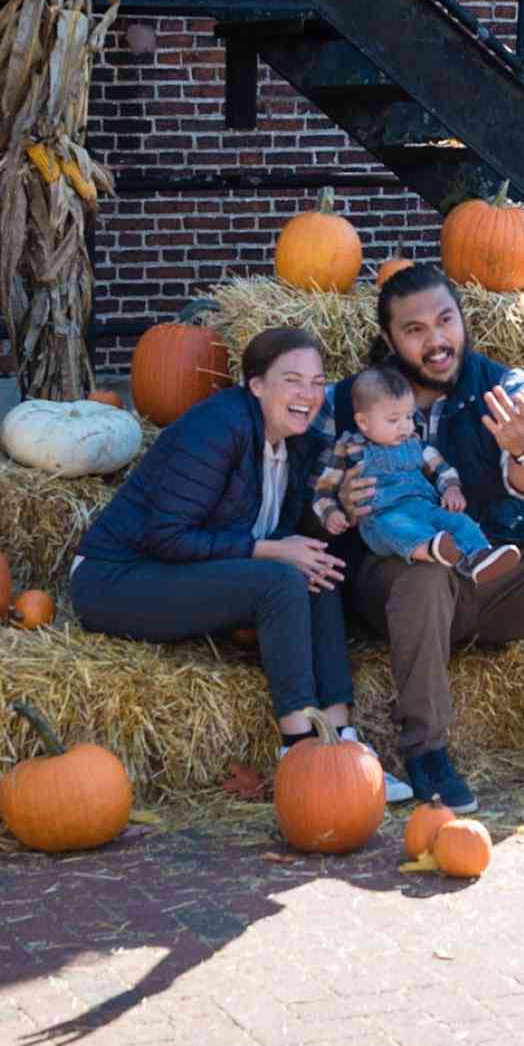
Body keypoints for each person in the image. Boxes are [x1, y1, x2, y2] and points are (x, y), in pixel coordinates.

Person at [317, 263, 524, 813]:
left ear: (462, 320)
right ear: (389, 339)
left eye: (446, 321)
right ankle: (427, 751)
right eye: (415, 330)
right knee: (426, 575)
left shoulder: (507, 389)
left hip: (494, 567)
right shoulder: (345, 403)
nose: (437, 340)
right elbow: (300, 496)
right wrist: (337, 504)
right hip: (400, 578)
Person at [71, 326, 413, 803]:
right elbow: (167, 536)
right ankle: (299, 749)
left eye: (317, 383)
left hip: (186, 573)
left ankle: (342, 742)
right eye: (293, 381)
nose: (309, 395)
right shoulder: (218, 428)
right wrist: (271, 550)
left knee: (318, 569)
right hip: (115, 578)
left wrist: (334, 518)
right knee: (281, 578)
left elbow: (291, 529)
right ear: (256, 385)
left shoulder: (298, 442)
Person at [311, 360, 522, 583]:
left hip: (425, 508)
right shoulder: (349, 448)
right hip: (383, 516)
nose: (405, 426)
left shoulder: (415, 443)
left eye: (409, 416)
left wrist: (452, 488)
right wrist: (330, 513)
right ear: (363, 422)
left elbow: (442, 469)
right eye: (393, 420)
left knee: (458, 520)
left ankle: (479, 556)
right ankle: (431, 549)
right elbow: (324, 489)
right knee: (395, 527)